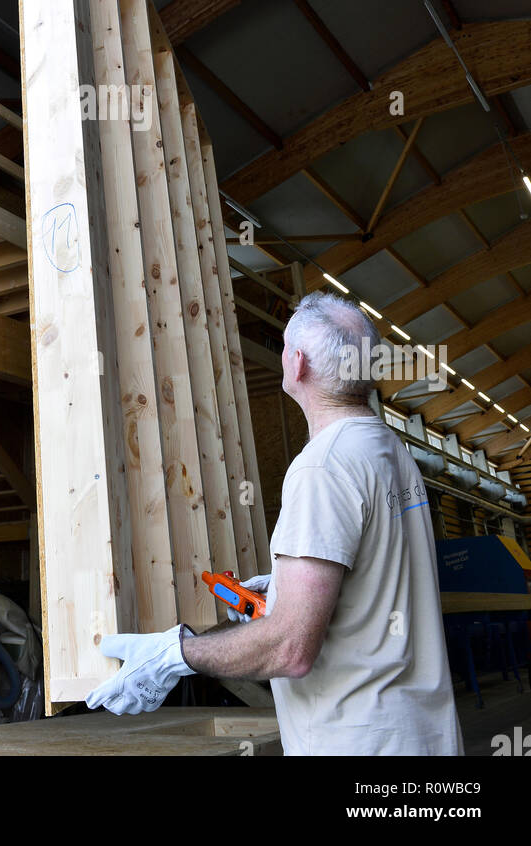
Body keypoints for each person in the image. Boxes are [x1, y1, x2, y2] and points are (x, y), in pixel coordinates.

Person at [86, 291, 463, 756]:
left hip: (357, 741)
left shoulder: (321, 468)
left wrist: (174, 656)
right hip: (422, 734)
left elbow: (290, 649)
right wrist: (289, 588)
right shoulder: (389, 450)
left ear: (297, 363)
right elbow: (376, 577)